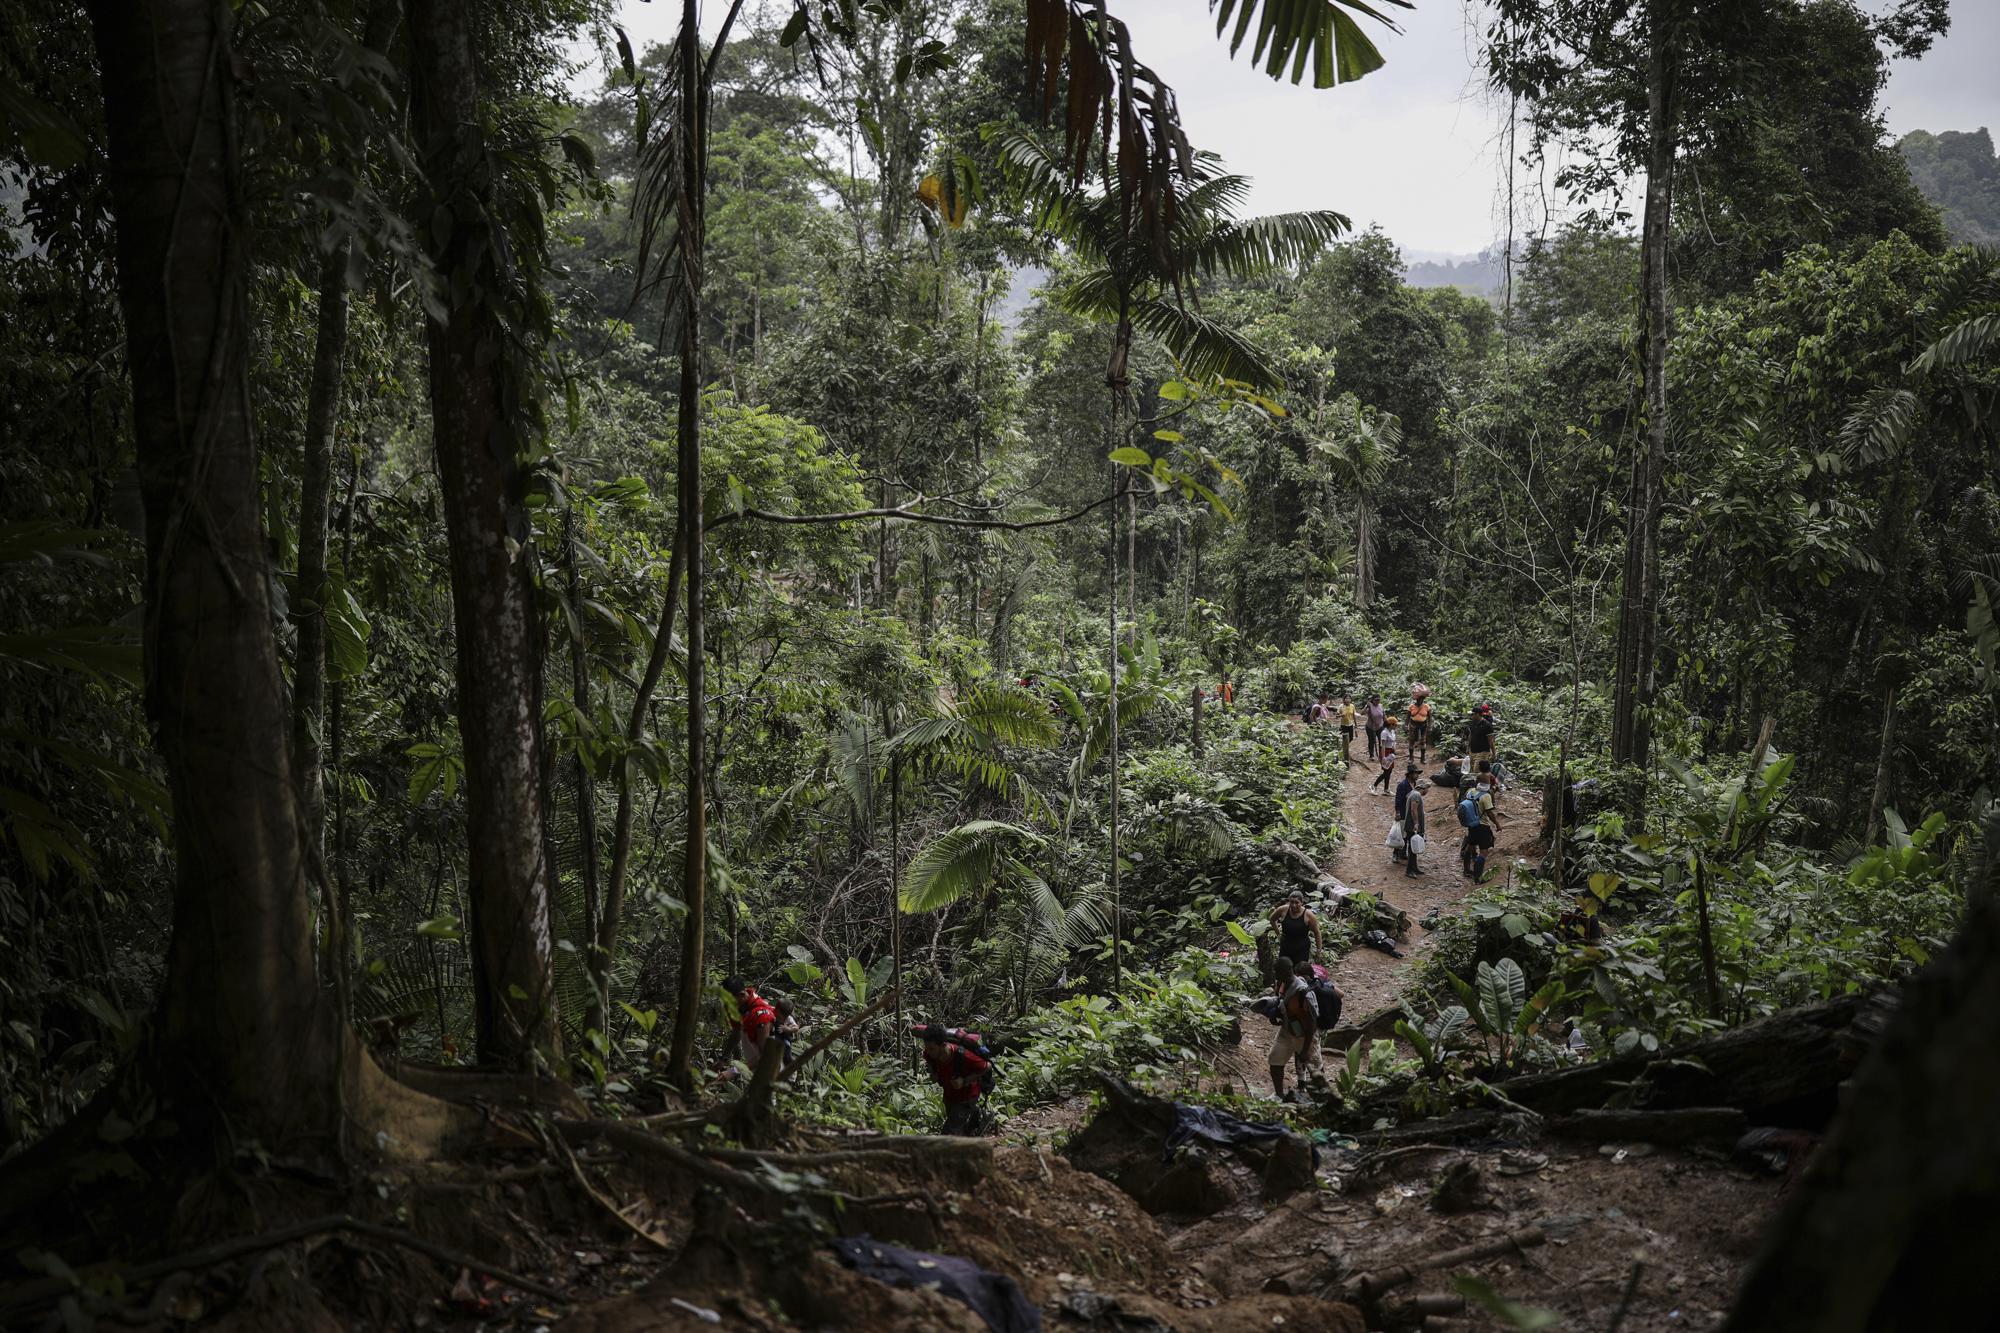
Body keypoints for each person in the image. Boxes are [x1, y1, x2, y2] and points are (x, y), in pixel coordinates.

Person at [920, 1023, 993, 1135]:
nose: (928, 1051)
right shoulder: (931, 1053)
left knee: (949, 1132)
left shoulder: (963, 1055)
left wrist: (965, 1081)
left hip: (967, 1095)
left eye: (931, 1048)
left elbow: (987, 1066)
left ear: (943, 1045)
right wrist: (933, 1072)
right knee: (959, 1125)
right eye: (927, 1048)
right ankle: (975, 1116)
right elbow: (927, 1057)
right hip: (950, 1095)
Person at [1266, 957, 1320, 1100]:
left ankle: (1320, 1098)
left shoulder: (1303, 991)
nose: (1275, 974)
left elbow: (1312, 1022)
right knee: (1275, 1060)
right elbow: (1281, 1003)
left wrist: (1305, 1048)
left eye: (1276, 972)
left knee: (1314, 1067)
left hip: (1304, 1034)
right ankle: (1279, 1095)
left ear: (1285, 972)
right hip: (1287, 1030)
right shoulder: (1282, 984)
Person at [723, 975, 777, 1070]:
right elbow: (736, 1032)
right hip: (755, 1068)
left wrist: (735, 1071)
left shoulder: (761, 1014)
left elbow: (766, 1055)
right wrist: (723, 1058)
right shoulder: (738, 1008)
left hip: (773, 1070)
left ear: (742, 994)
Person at [1269, 890, 1323, 967]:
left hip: (1301, 948)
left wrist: (1318, 950)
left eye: (1297, 903)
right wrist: (1278, 934)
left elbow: (1317, 932)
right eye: (1292, 902)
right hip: (1285, 945)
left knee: (1299, 970)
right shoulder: (1282, 910)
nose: (1294, 905)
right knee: (1284, 969)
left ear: (1302, 903)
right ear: (1289, 902)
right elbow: (1272, 920)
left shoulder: (1308, 915)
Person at [1404, 777, 1429, 877]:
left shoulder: (1413, 794)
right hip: (1412, 826)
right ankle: (1409, 870)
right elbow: (1413, 810)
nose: (1427, 790)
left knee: (1413, 847)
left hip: (1412, 825)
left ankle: (1414, 867)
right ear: (1422, 788)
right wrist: (1416, 823)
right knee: (1412, 848)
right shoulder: (1416, 795)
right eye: (1427, 788)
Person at [1371, 715, 1399, 793]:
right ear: (1391, 724)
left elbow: (1393, 741)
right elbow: (1382, 745)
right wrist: (1383, 757)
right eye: (1395, 725)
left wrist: (1394, 749)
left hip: (1391, 752)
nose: (1396, 726)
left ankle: (1386, 789)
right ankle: (1374, 786)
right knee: (1386, 771)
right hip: (1385, 752)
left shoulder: (1392, 731)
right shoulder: (1384, 732)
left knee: (1389, 771)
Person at [1392, 765, 1415, 860]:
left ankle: (1403, 852)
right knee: (1400, 834)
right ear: (1410, 775)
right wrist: (1397, 812)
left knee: (1407, 833)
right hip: (1402, 812)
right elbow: (1398, 800)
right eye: (1415, 773)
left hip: (1409, 813)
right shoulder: (1403, 785)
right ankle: (1396, 853)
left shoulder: (1414, 784)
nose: (1417, 775)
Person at [1468, 703, 1498, 769]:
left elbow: (1491, 741)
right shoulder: (1472, 723)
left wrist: (1494, 754)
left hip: (1483, 752)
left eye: (1472, 714)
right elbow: (1471, 735)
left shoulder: (1487, 725)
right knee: (1471, 770)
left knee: (1477, 770)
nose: (1471, 716)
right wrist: (1468, 748)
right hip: (1473, 751)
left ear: (1477, 714)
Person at [1407, 694, 1433, 763]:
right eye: (1419, 699)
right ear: (1416, 699)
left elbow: (1430, 717)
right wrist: (1406, 725)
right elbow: (1407, 717)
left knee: (1423, 741)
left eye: (1422, 699)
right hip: (1413, 725)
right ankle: (1411, 758)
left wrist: (1430, 726)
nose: (1420, 701)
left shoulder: (1426, 706)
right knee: (1411, 741)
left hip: (1423, 725)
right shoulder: (1411, 706)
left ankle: (1423, 758)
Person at [1363, 693, 1385, 759]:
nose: (1377, 701)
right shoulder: (1369, 706)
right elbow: (1362, 713)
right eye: (1376, 700)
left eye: (1379, 700)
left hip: (1380, 726)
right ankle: (1371, 755)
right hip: (1370, 726)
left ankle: (1381, 754)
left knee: (1381, 740)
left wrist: (1387, 724)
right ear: (1373, 700)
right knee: (1371, 741)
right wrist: (1366, 706)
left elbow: (1384, 715)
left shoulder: (1381, 706)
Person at [1337, 693, 1357, 759]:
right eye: (1346, 698)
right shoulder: (1341, 706)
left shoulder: (1352, 706)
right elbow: (1336, 716)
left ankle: (1344, 748)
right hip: (1343, 725)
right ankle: (1345, 752)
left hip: (1350, 724)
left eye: (1349, 698)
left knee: (1351, 738)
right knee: (1345, 738)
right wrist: (1341, 715)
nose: (1348, 700)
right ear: (1344, 699)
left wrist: (1356, 723)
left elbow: (1354, 715)